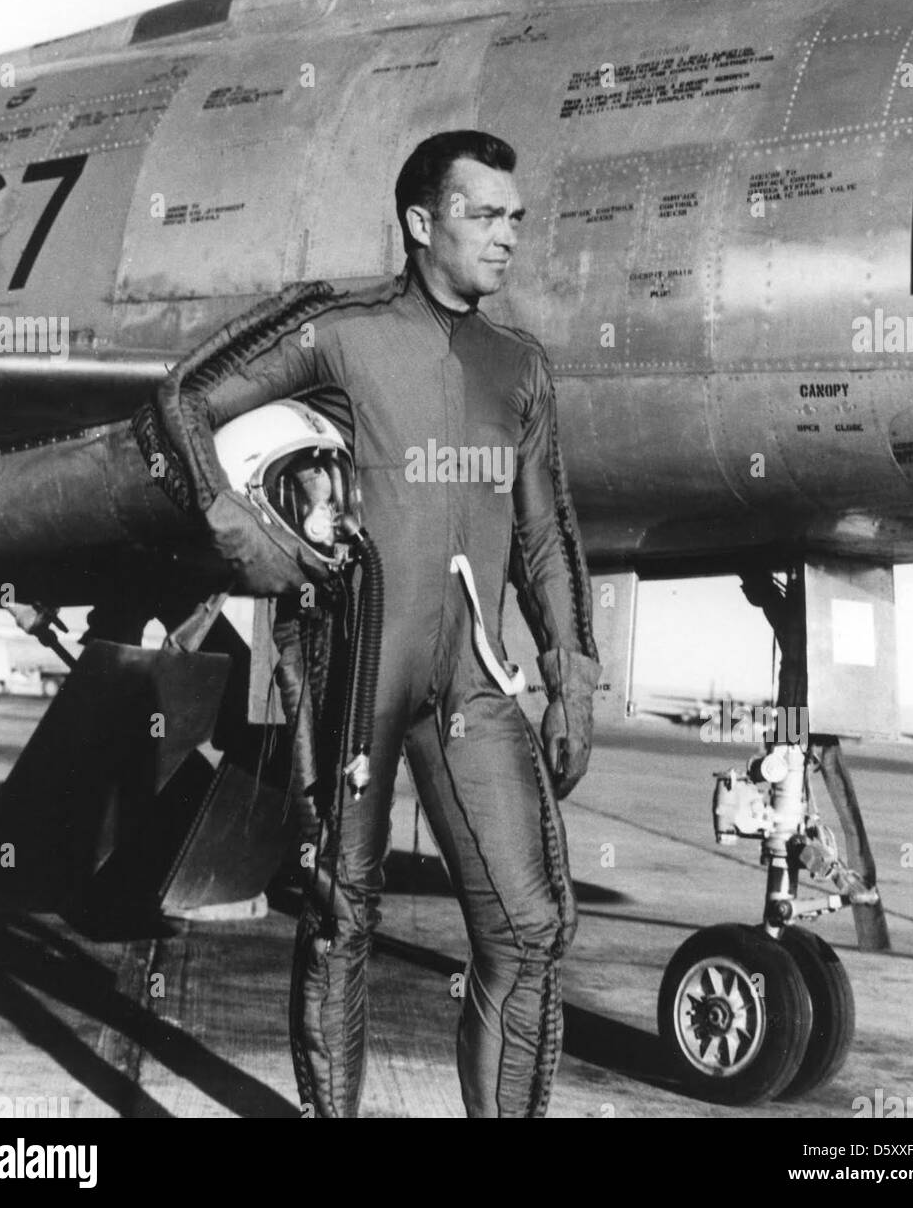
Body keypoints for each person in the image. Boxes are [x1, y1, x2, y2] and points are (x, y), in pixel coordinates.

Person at [147, 130, 601, 1118]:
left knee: (528, 928)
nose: (506, 234)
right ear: (419, 223)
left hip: (471, 680)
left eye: (513, 216)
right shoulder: (339, 334)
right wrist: (240, 532)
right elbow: (185, 399)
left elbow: (543, 534)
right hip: (355, 666)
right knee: (341, 916)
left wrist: (572, 674)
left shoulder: (518, 368)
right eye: (481, 214)